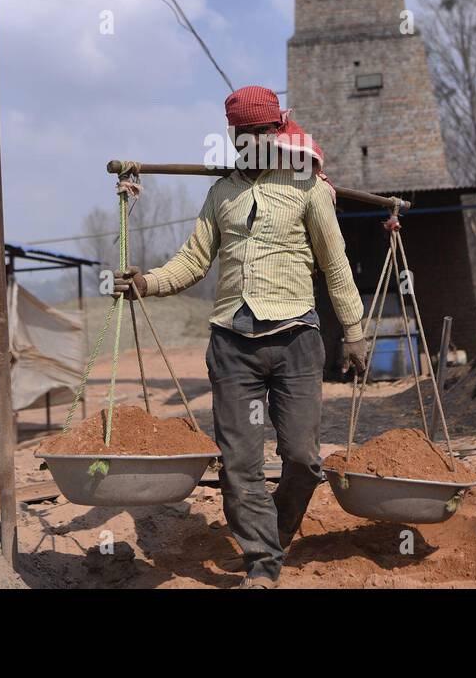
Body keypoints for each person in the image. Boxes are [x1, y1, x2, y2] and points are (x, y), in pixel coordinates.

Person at [114, 85, 369, 588]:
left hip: (296, 337)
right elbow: (192, 262)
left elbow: (335, 266)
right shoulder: (221, 194)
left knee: (302, 457)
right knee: (239, 464)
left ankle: (274, 529)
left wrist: (356, 333)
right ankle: (262, 564)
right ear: (232, 136)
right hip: (232, 344)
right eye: (240, 135)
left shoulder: (307, 188)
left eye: (259, 133)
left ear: (276, 132)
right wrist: (147, 283)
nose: (249, 143)